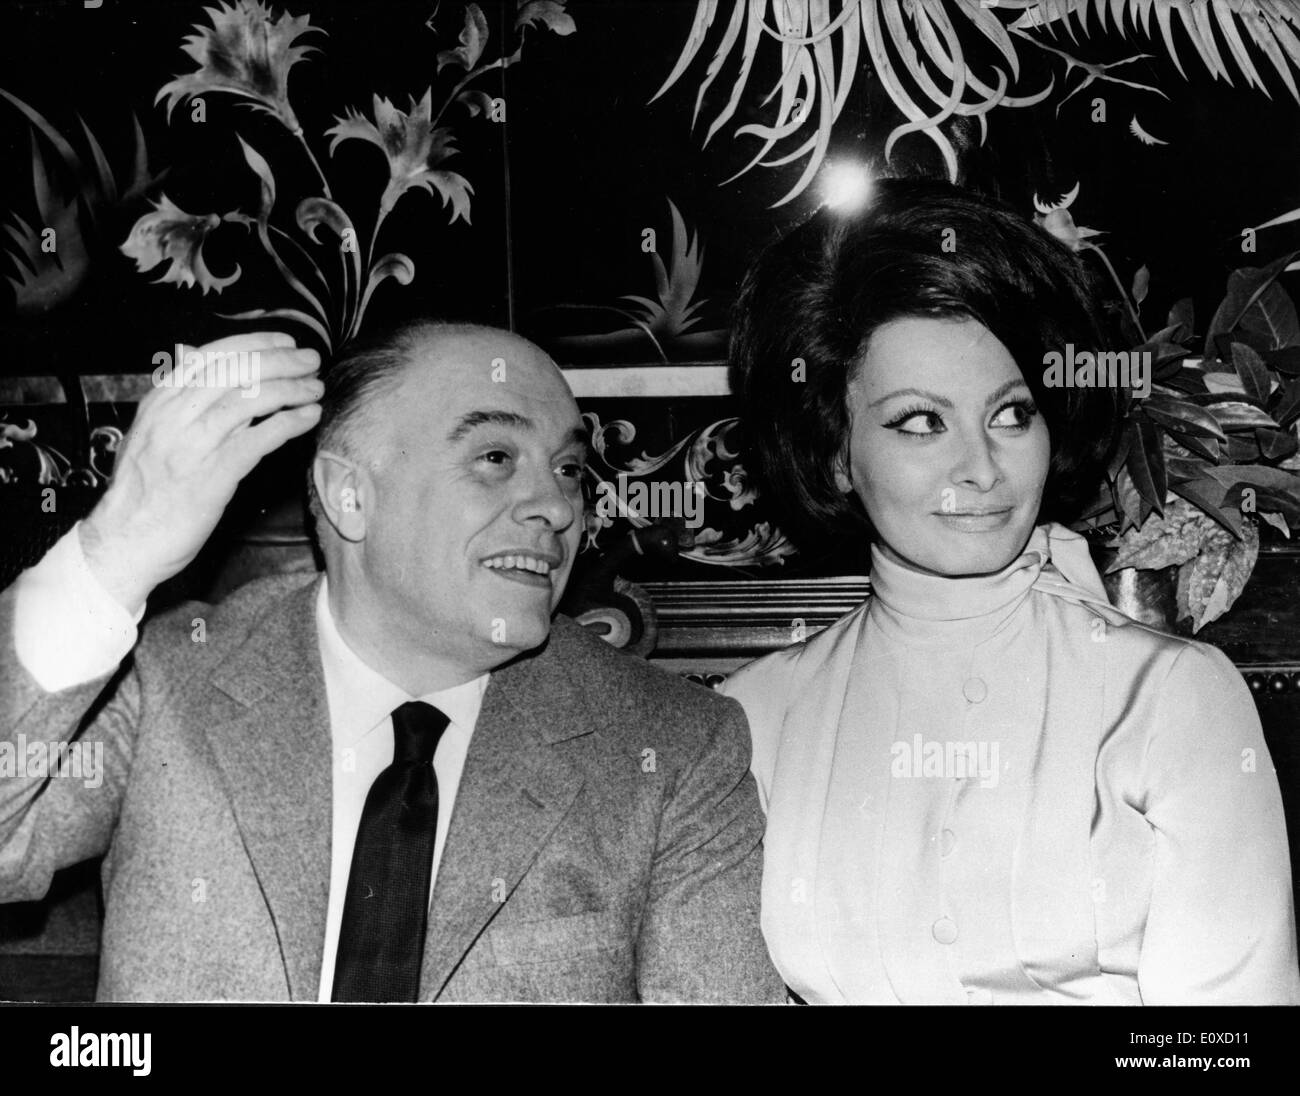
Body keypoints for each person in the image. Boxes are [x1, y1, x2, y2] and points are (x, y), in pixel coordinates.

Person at [0, 320, 783, 1003]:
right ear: (350, 497)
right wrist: (113, 556)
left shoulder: (671, 748)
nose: (556, 505)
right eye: (495, 456)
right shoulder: (170, 680)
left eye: (569, 468)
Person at [721, 177, 1300, 1005]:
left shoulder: (1170, 699)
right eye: (920, 421)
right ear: (835, 451)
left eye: (1010, 413)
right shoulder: (752, 723)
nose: (982, 469)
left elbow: (1222, 1052)